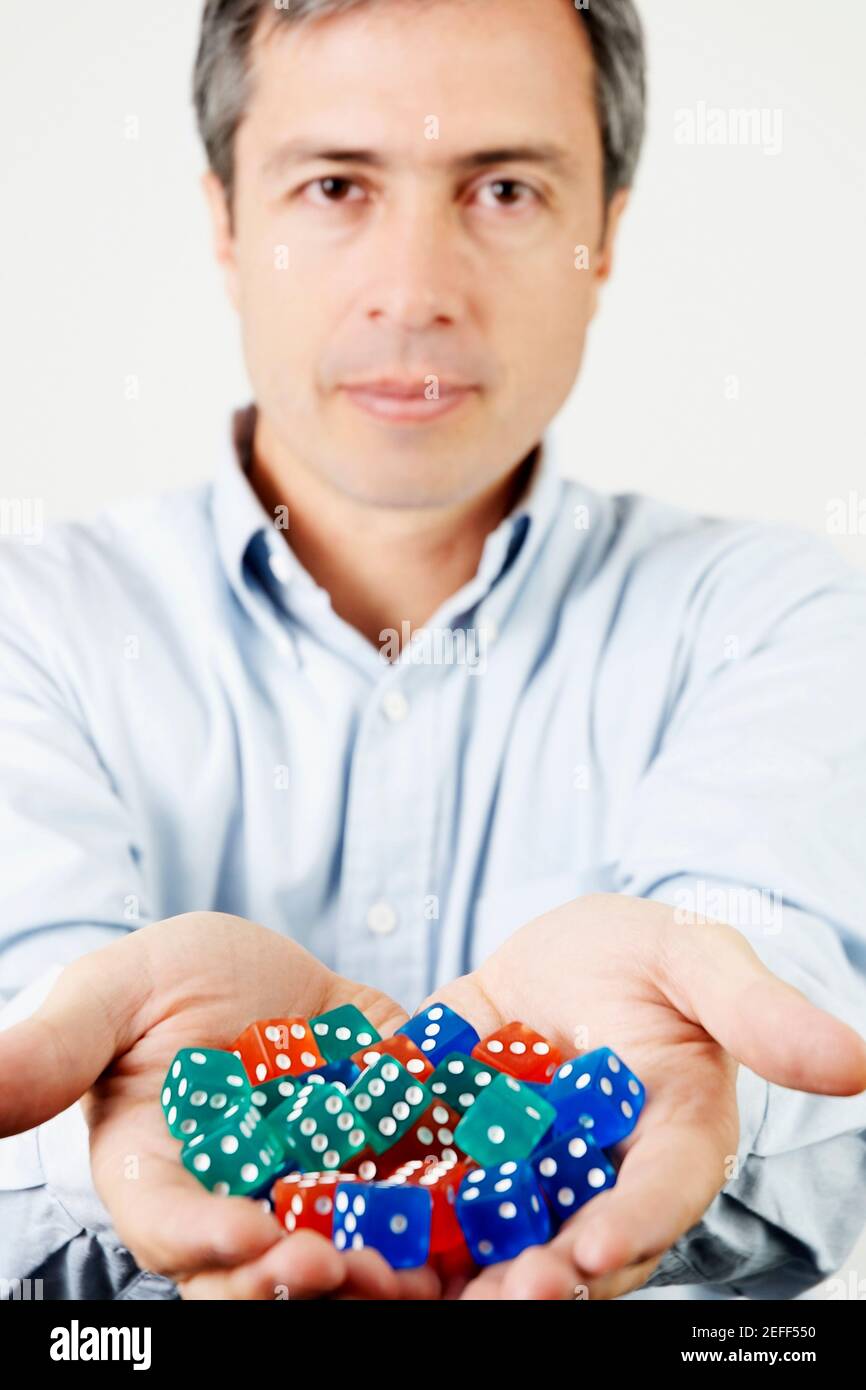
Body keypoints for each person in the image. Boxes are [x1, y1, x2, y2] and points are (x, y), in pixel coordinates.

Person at [1, 0, 864, 1303]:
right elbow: (33, 1003)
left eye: (505, 188)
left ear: (605, 235)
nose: (413, 290)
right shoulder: (29, 626)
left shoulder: (783, 613)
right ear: (228, 224)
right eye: (335, 183)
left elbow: (772, 966)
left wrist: (700, 1061)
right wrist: (94, 1105)